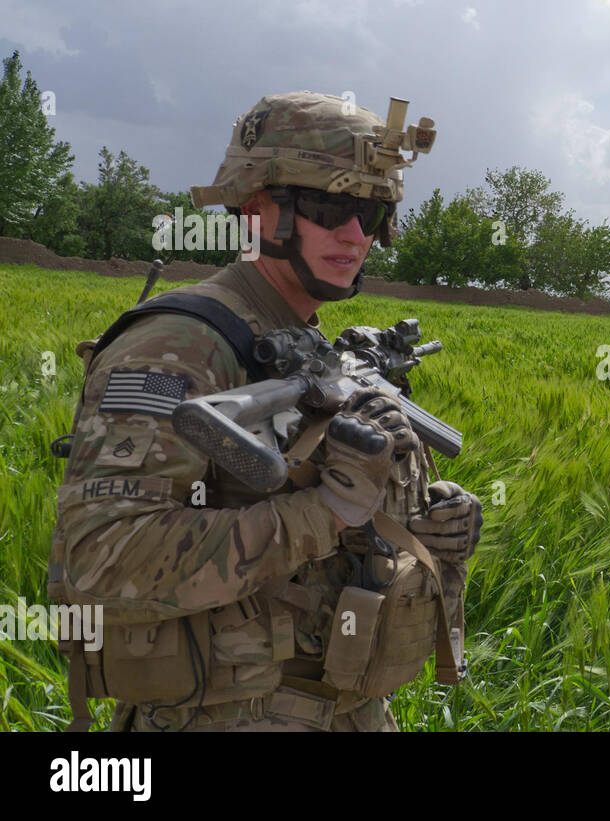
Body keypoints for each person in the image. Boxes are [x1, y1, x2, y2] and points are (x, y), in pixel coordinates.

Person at [47, 91, 481, 732]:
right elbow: (102, 562)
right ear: (255, 212)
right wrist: (325, 512)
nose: (356, 234)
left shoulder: (302, 339)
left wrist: (427, 519)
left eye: (372, 210)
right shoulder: (180, 344)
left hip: (347, 710)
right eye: (331, 206)